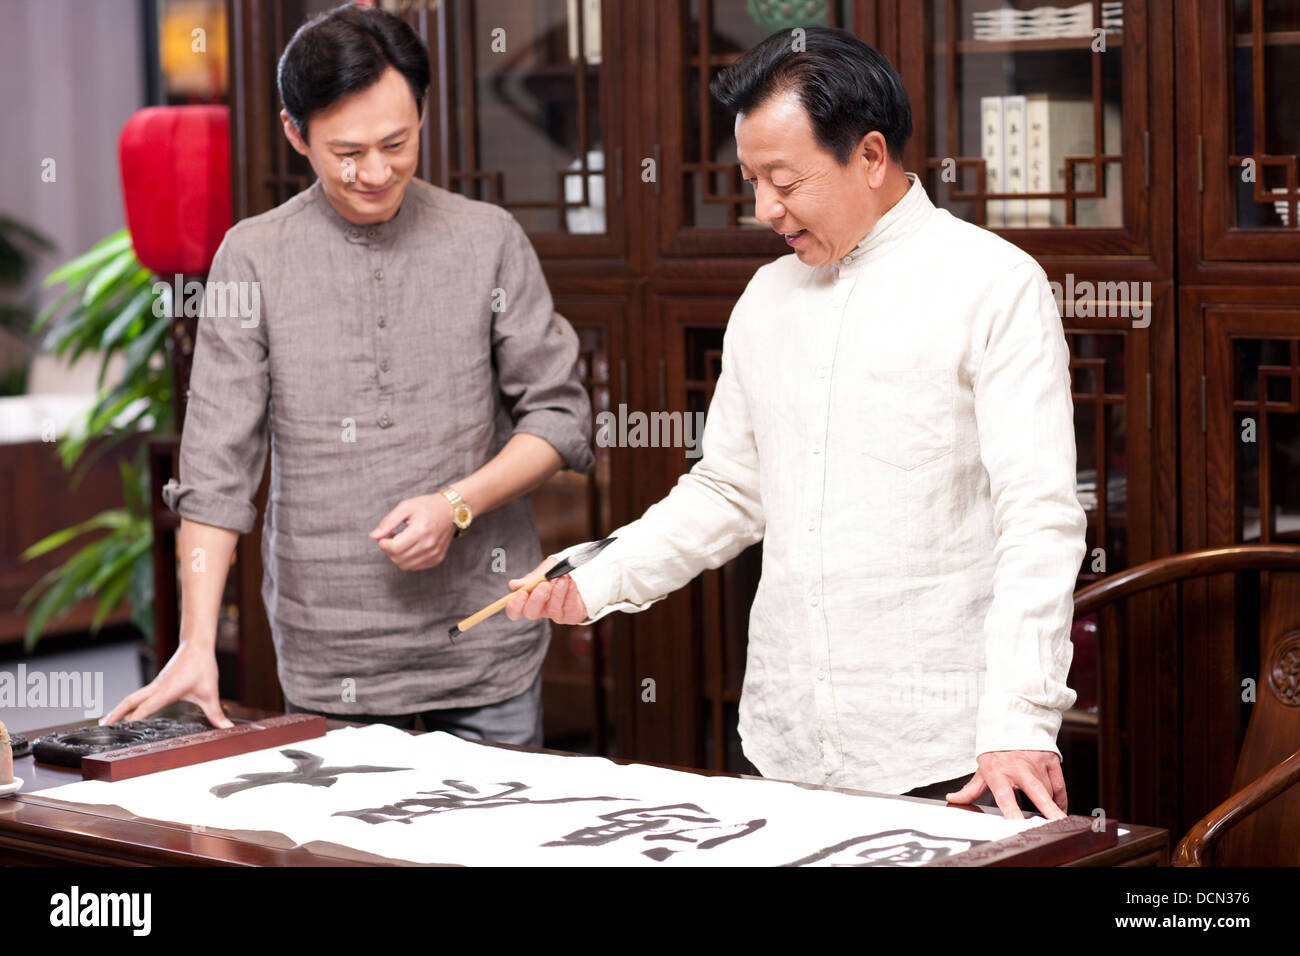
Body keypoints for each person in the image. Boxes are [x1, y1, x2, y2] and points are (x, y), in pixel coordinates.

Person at [506, 27, 1086, 820]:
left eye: (783, 180)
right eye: (750, 181)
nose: (763, 209)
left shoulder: (993, 286)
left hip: (947, 748)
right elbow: (729, 489)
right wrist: (601, 577)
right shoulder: (768, 297)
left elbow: (1040, 517)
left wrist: (1021, 718)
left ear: (871, 157)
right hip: (784, 737)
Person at [102, 3, 593, 746]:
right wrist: (197, 641)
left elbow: (559, 419)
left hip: (486, 634)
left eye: (397, 143)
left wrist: (457, 505)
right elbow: (217, 464)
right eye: (347, 151)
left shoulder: (487, 239)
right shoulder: (254, 257)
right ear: (295, 132)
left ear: (423, 112)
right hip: (333, 648)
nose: (375, 172)